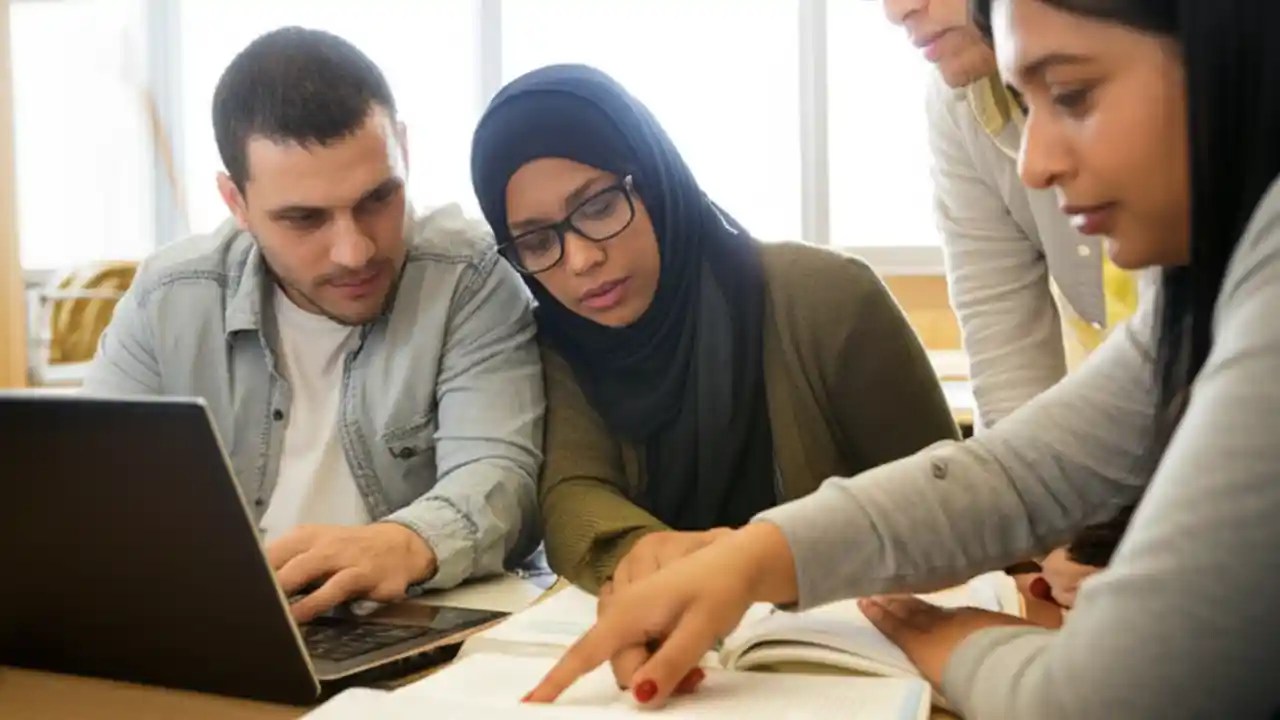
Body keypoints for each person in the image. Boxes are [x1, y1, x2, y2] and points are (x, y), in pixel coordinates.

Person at [525, 1, 1280, 716]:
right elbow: (1024, 470)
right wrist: (755, 557)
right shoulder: (1210, 283)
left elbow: (1109, 699)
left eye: (1074, 95)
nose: (1034, 166)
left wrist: (952, 640)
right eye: (1023, 104)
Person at [84, 28, 544, 623]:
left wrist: (409, 543)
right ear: (236, 203)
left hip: (413, 623)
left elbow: (502, 477)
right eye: (304, 219)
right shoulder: (168, 300)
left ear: (403, 148)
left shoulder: (467, 278)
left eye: (379, 198)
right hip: (223, 625)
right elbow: (92, 501)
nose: (354, 251)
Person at [469, 64, 959, 597]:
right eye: (538, 242)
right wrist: (650, 556)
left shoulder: (829, 299)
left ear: (654, 182)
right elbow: (572, 492)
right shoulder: (563, 339)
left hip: (864, 639)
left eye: (599, 206)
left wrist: (751, 567)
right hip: (679, 652)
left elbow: (952, 503)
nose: (582, 259)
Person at [885, 0, 1141, 608]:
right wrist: (1047, 532)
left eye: (1075, 97)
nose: (897, 11)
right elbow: (1009, 359)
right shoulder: (957, 101)